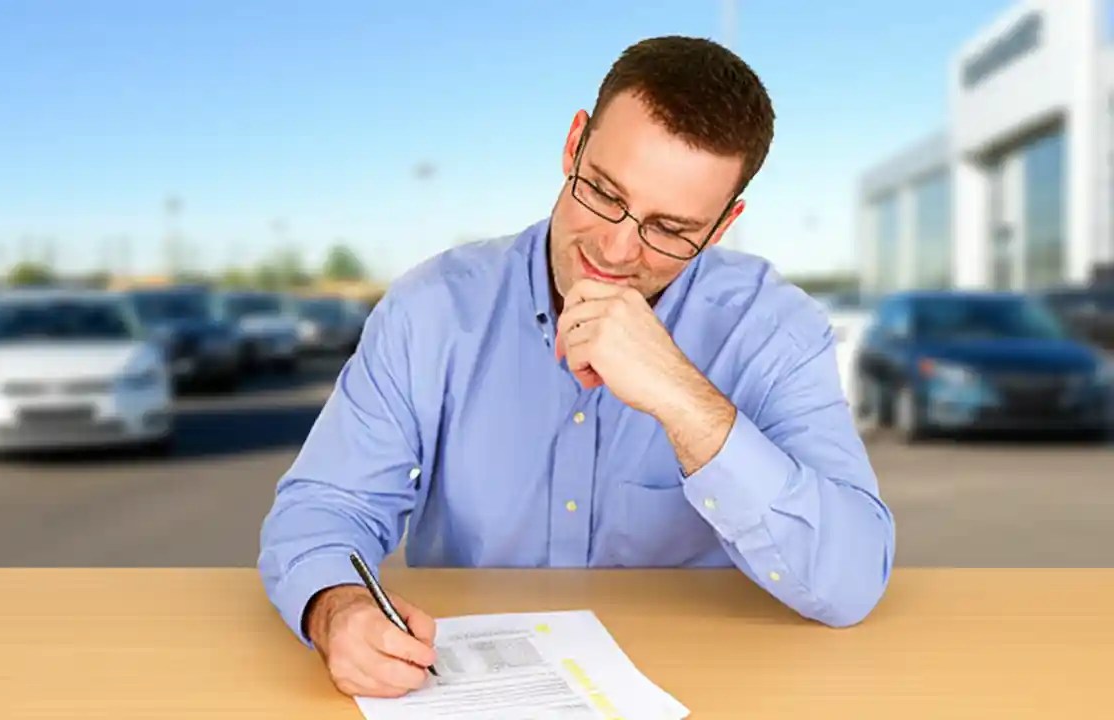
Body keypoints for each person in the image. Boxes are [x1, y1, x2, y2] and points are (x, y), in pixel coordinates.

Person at [260, 35, 895, 698]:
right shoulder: (432, 308)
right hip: (466, 692)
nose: (616, 250)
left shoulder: (773, 328)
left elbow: (850, 582)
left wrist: (682, 398)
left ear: (721, 226)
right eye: (602, 192)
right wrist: (337, 610)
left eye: (670, 230)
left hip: (700, 689)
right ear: (573, 145)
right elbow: (325, 506)